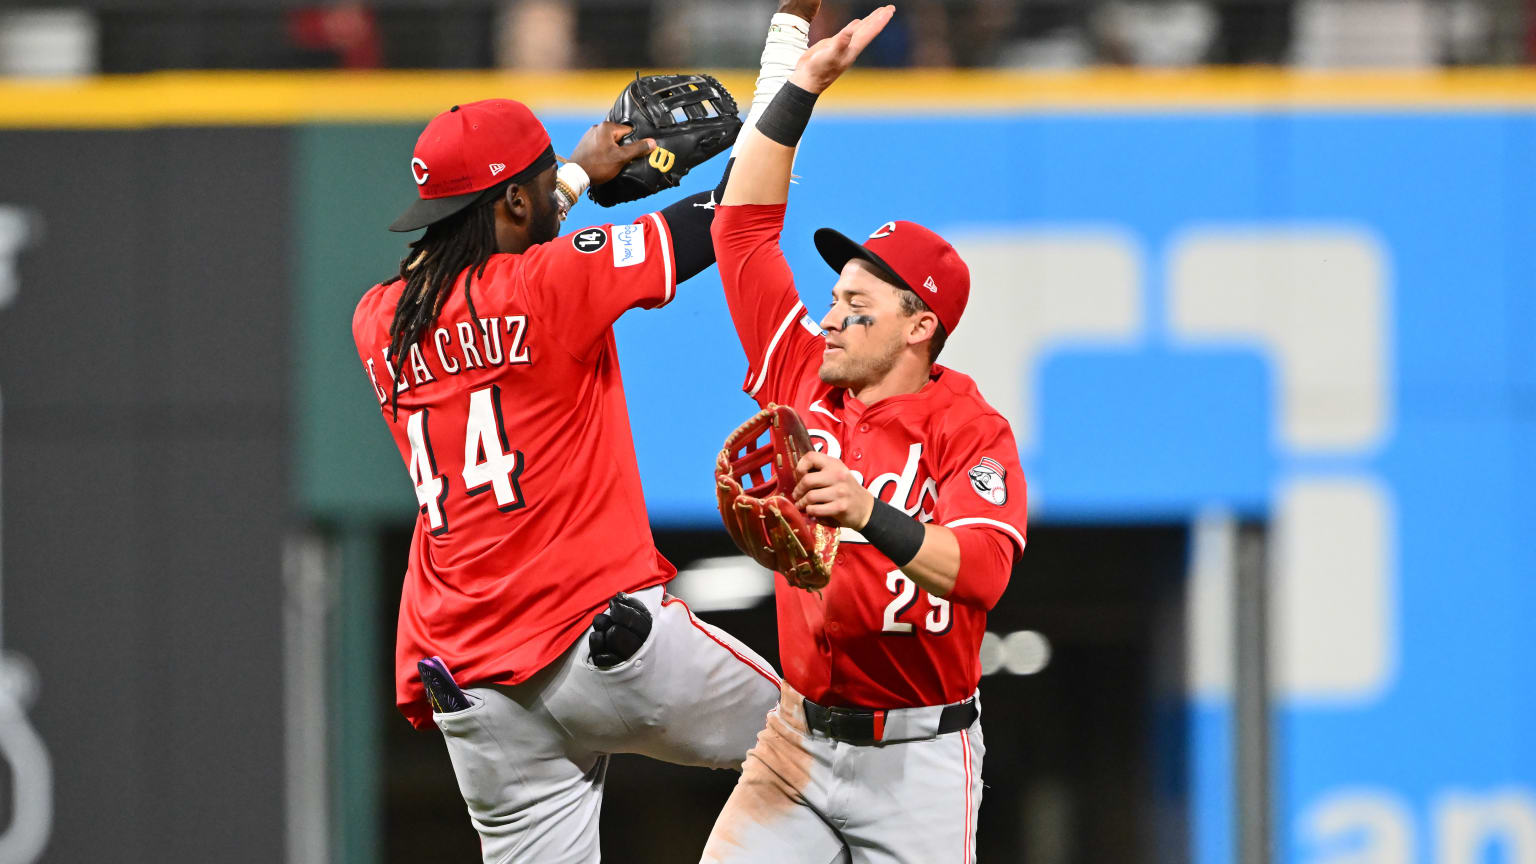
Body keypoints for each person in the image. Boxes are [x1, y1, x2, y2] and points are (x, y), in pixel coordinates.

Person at [348, 21, 808, 855]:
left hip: (475, 690)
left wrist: (568, 179)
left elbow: (484, 251)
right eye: (533, 185)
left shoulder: (378, 321)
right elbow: (733, 212)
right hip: (603, 642)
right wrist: (791, 65)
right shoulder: (551, 280)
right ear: (516, 204)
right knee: (830, 748)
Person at [702, 6, 1030, 861]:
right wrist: (802, 87)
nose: (830, 318)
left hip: (922, 756)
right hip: (796, 742)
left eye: (857, 305)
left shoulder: (971, 430)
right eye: (833, 298)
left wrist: (864, 513)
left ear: (919, 326)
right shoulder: (802, 368)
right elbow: (739, 229)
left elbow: (983, 572)